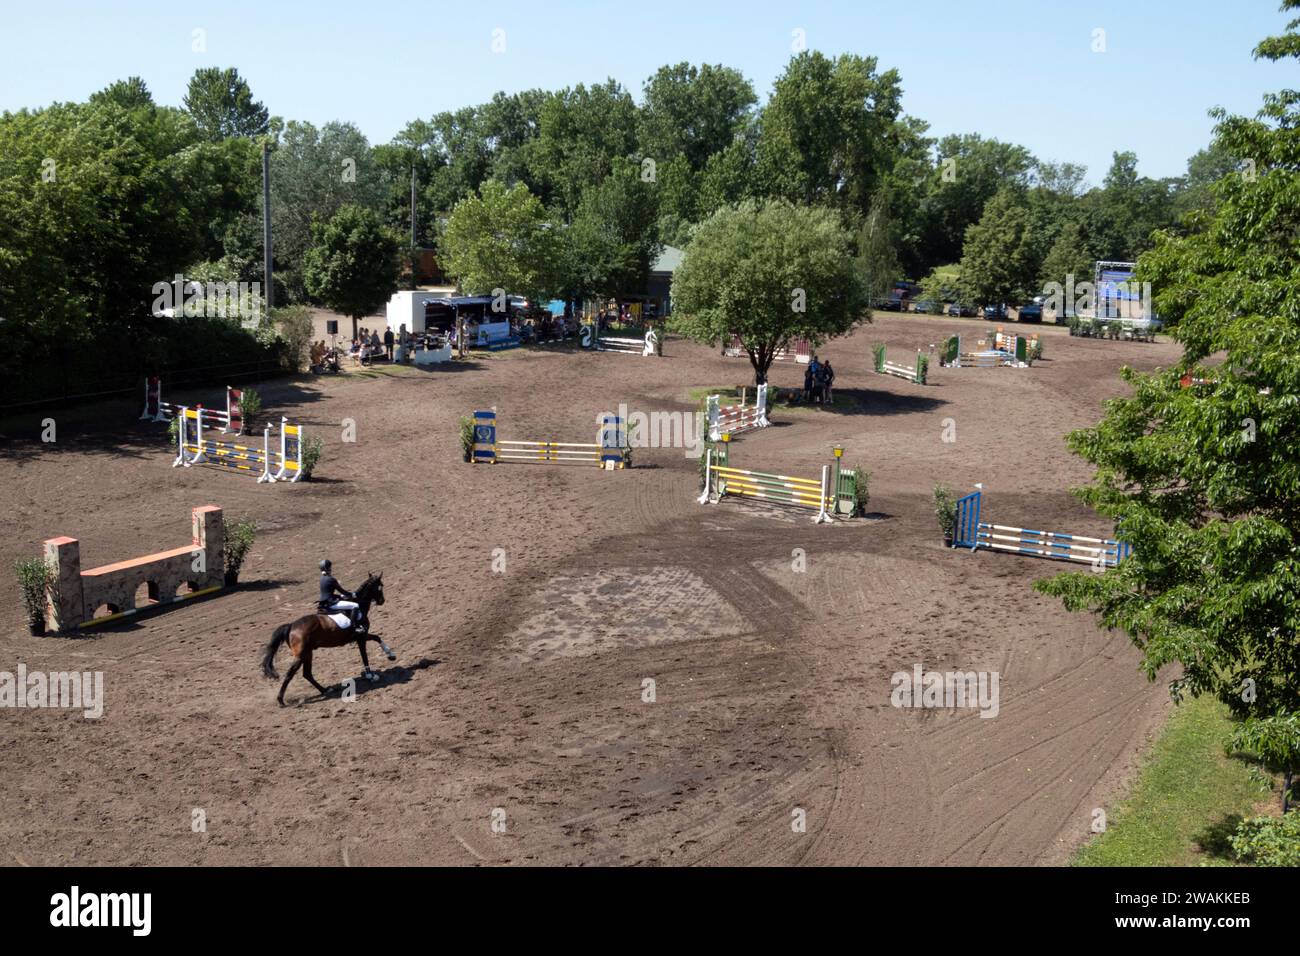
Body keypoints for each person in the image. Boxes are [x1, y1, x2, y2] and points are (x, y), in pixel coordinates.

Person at [318, 559, 365, 632]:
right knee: (355, 605)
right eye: (330, 567)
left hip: (323, 603)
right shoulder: (331, 579)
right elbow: (342, 591)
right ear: (328, 568)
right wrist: (352, 594)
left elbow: (327, 593)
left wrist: (339, 596)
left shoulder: (321, 579)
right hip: (331, 603)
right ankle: (355, 627)